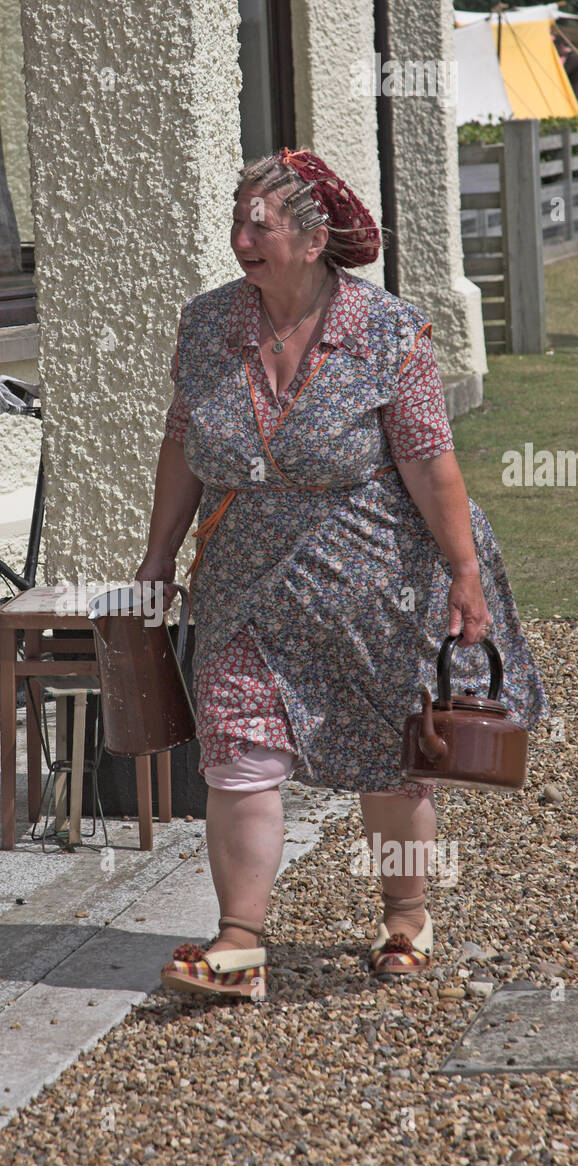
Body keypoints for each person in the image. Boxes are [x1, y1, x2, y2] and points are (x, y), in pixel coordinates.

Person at [135, 146, 549, 997]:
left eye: (263, 222)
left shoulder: (388, 330)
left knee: (389, 759)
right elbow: (182, 443)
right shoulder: (208, 323)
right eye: (238, 218)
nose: (242, 236)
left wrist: (463, 575)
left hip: (377, 583)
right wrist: (157, 553)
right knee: (237, 748)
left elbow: (432, 463)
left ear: (314, 238)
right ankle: (240, 941)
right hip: (243, 587)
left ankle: (406, 917)